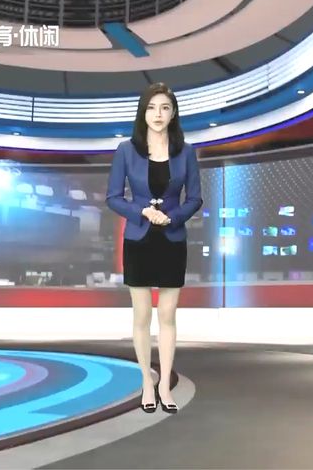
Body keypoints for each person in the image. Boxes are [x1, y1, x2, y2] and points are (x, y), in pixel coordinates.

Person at [106, 82, 203, 413]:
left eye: (164, 108)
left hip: (172, 239)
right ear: (142, 112)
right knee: (142, 315)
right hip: (138, 239)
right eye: (151, 107)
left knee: (167, 315)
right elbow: (113, 197)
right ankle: (147, 383)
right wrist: (143, 212)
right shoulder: (125, 150)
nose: (158, 114)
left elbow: (195, 198)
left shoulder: (186, 151)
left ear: (173, 113)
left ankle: (164, 386)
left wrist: (172, 218)